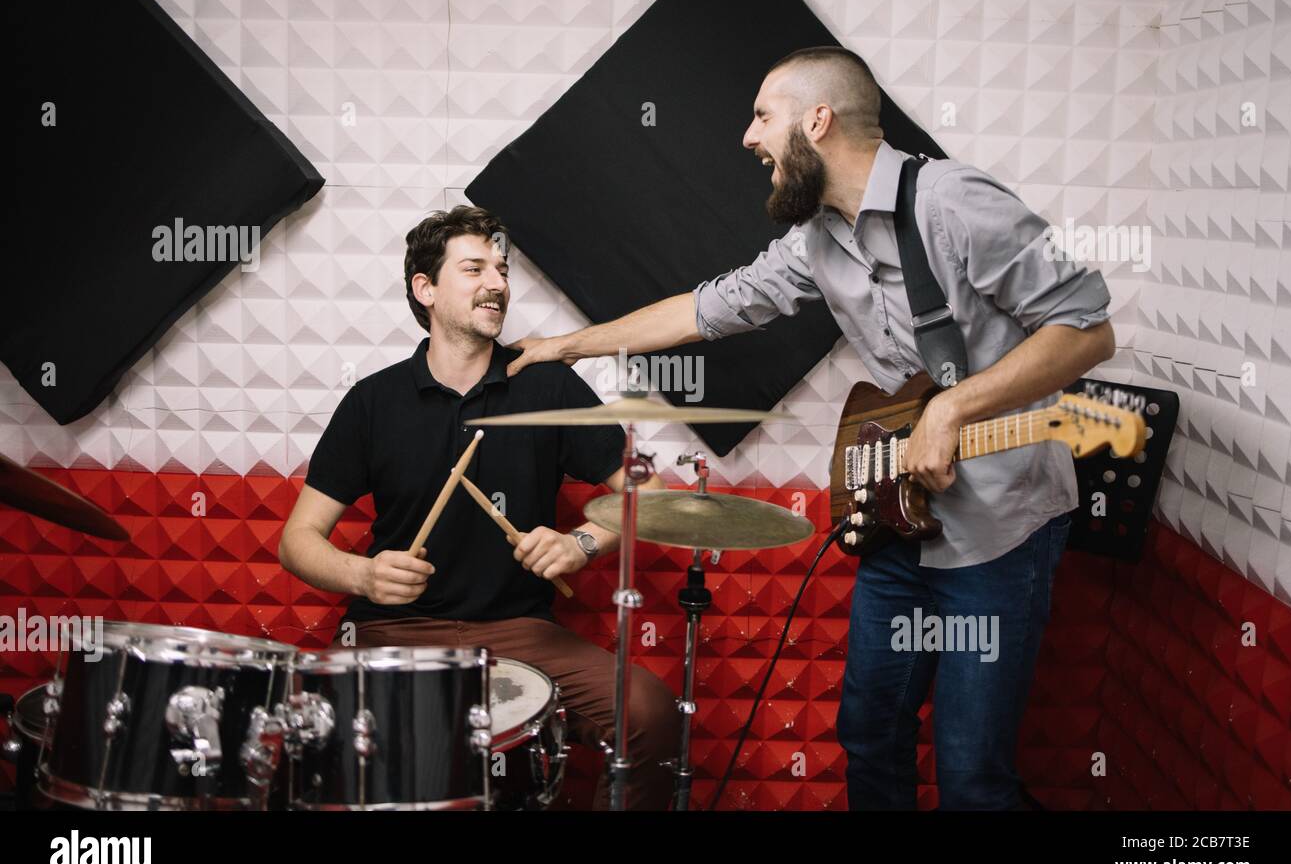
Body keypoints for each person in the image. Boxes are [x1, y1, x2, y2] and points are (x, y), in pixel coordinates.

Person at [505, 46, 1116, 810]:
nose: (749, 138)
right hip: (898, 524)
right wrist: (564, 345)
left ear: (818, 121)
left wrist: (955, 408)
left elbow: (1088, 329)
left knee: (971, 778)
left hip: (1002, 534)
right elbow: (704, 310)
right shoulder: (818, 241)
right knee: (870, 737)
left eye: (764, 116)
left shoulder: (958, 203)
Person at [279, 205, 677, 810]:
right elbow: (298, 539)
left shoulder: (546, 387)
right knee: (312, 730)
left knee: (649, 712)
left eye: (502, 269)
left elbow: (652, 496)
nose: (497, 283)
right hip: (394, 629)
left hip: (520, 631)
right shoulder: (373, 401)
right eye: (474, 268)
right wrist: (363, 573)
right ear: (426, 289)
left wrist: (580, 544)